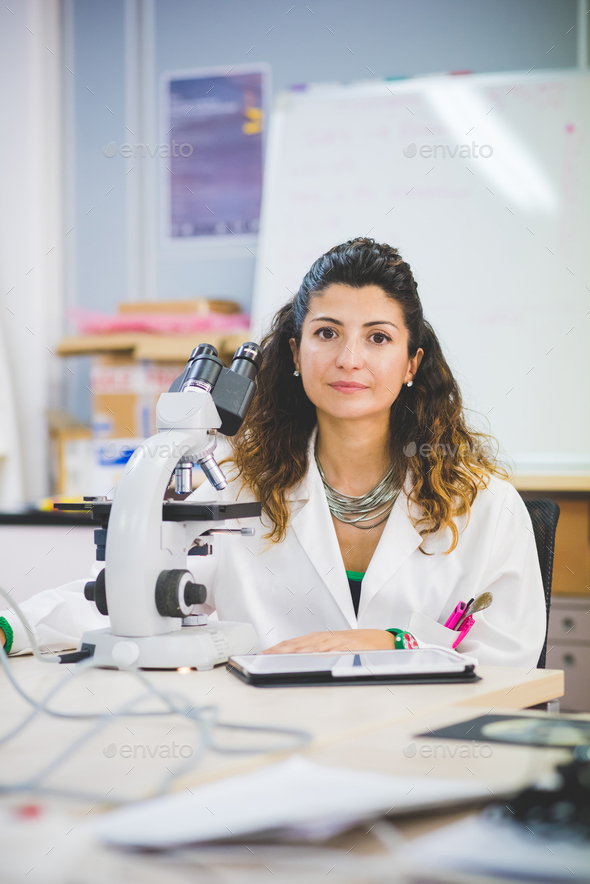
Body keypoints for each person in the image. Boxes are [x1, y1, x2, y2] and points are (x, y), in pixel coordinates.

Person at [0, 238, 546, 666]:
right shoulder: (232, 487)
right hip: (267, 745)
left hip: (427, 757)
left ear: (410, 363)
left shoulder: (483, 505)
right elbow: (130, 591)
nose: (350, 359)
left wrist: (398, 642)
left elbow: (508, 658)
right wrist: (10, 626)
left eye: (378, 337)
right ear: (295, 350)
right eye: (327, 333)